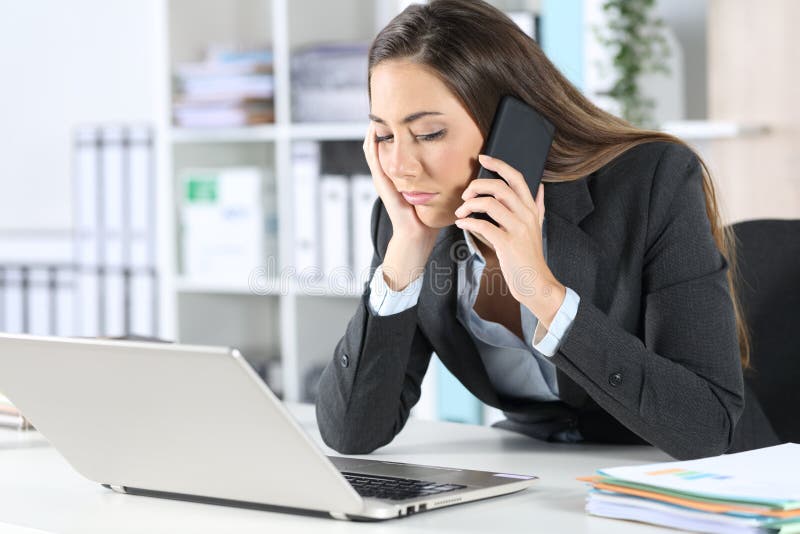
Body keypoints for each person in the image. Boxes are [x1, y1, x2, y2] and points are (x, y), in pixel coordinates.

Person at [315, 0, 777, 460]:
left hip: (695, 479)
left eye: (429, 134)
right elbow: (351, 433)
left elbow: (707, 427)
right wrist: (404, 260)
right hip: (548, 473)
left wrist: (543, 293)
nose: (399, 166)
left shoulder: (651, 182)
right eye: (383, 136)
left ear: (511, 125)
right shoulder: (409, 222)